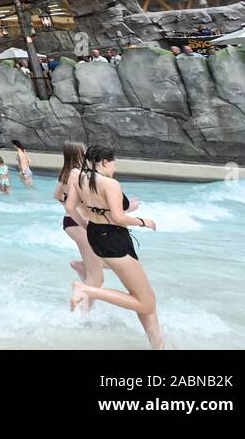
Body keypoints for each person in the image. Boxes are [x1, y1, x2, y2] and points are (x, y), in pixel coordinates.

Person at [66, 144, 162, 348]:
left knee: (143, 298)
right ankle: (87, 290)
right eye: (113, 165)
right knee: (147, 302)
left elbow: (69, 207)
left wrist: (85, 225)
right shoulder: (110, 183)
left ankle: (158, 345)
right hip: (114, 239)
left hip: (96, 236)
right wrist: (144, 221)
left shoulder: (77, 176)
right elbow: (118, 217)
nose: (114, 169)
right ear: (105, 162)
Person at [55, 141, 104, 303]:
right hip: (80, 225)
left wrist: (70, 207)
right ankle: (84, 317)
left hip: (70, 222)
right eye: (84, 151)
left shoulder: (66, 174)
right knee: (96, 278)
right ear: (78, 154)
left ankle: (81, 266)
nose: (87, 153)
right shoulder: (81, 175)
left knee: (97, 270)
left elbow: (57, 196)